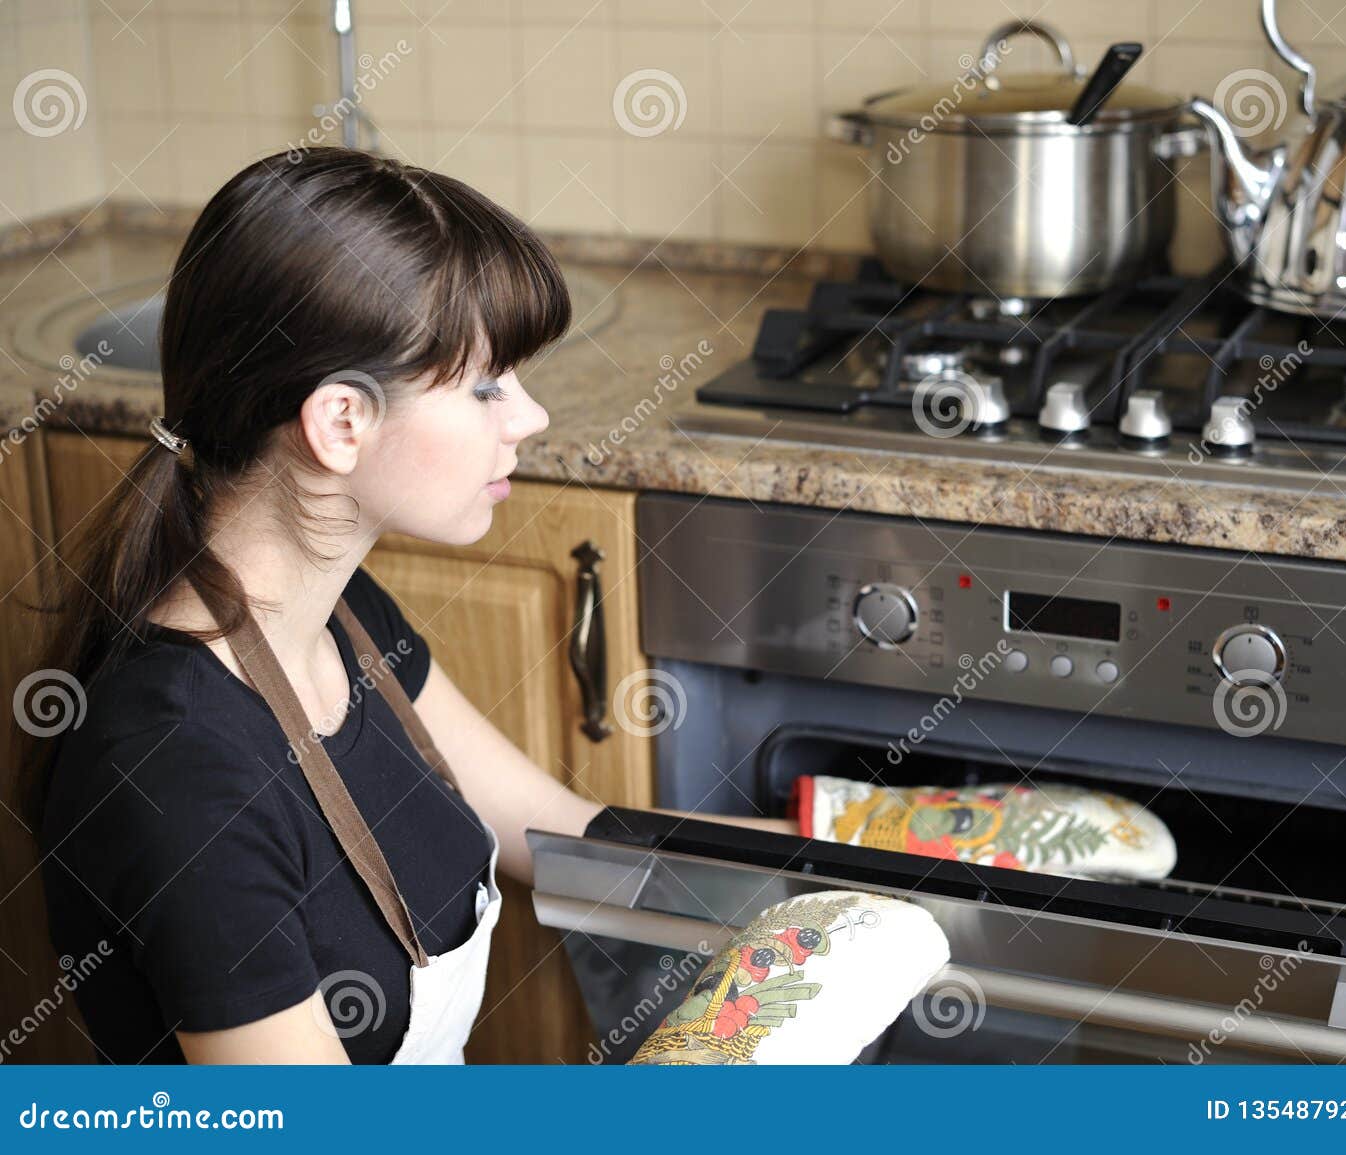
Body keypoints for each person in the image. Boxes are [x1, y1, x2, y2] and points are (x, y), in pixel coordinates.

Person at [21, 147, 793, 1065]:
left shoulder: (342, 615)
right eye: (487, 385)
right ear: (341, 422)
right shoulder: (180, 770)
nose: (530, 417)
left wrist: (858, 854)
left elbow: (559, 834)